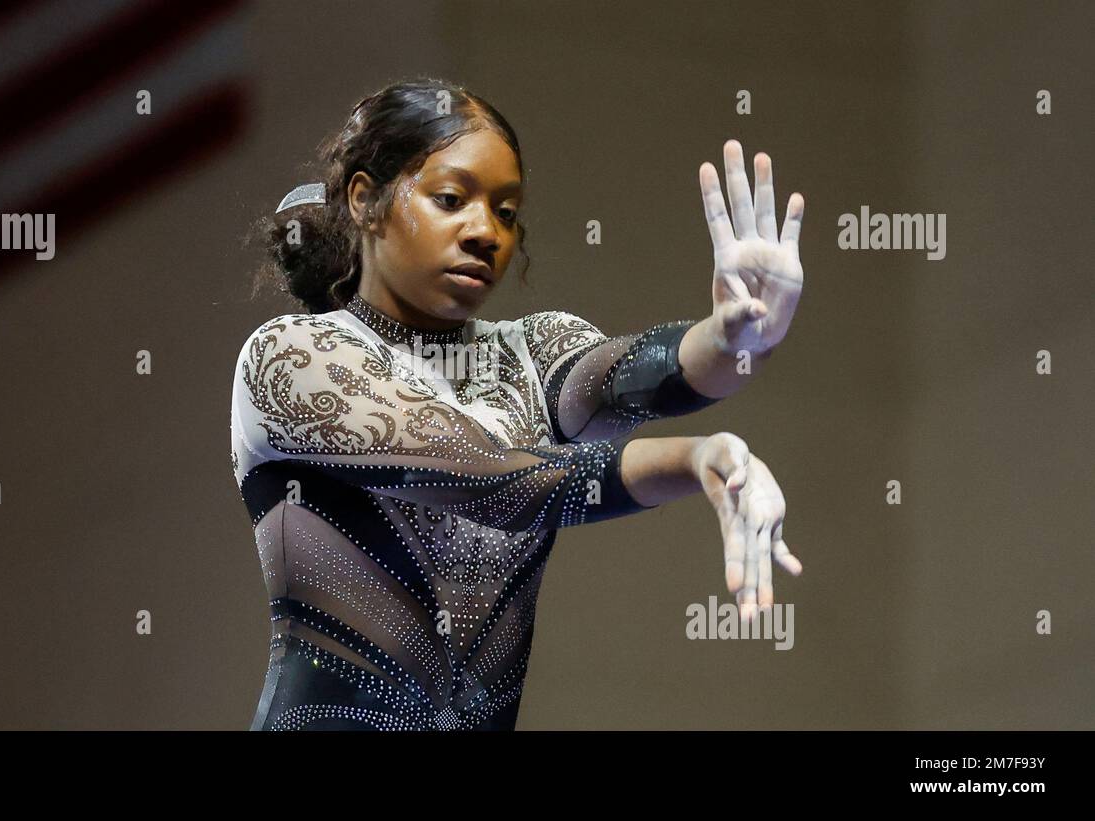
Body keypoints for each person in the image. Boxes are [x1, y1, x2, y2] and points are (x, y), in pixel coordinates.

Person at [231, 78, 806, 730]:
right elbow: (495, 482)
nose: (485, 231)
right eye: (451, 200)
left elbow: (648, 375)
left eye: (505, 212)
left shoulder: (532, 352)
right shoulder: (295, 359)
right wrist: (697, 456)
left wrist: (737, 334)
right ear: (366, 201)